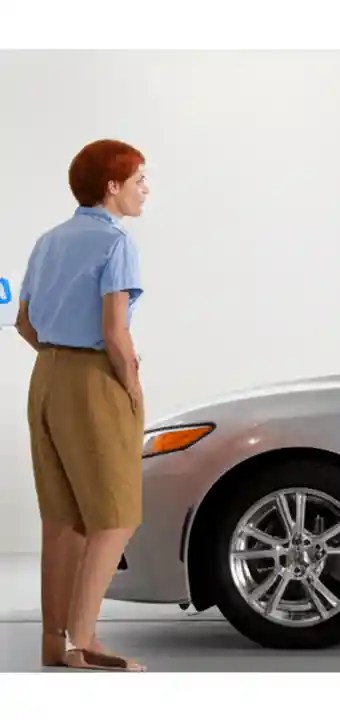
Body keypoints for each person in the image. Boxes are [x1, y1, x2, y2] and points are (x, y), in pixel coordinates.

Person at [14, 139, 150, 672]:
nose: (145, 189)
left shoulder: (49, 240)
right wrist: (130, 384)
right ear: (111, 186)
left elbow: (24, 322)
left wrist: (58, 356)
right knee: (114, 517)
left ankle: (55, 641)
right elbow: (115, 332)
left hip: (46, 374)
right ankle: (85, 642)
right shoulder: (117, 242)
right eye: (138, 179)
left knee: (63, 519)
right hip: (94, 380)